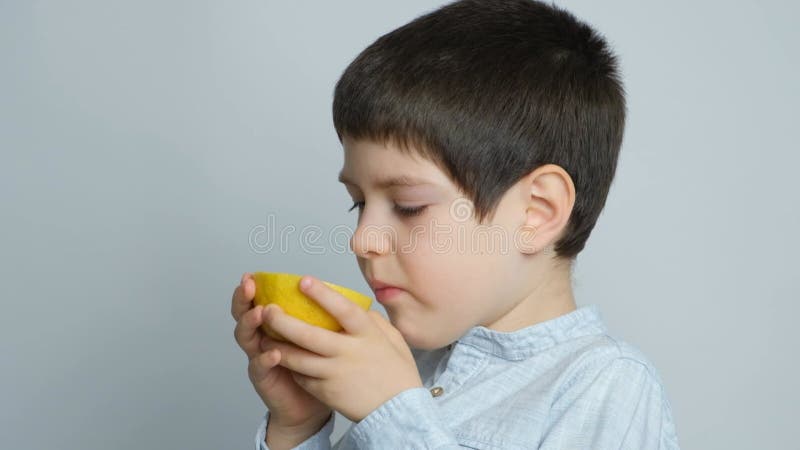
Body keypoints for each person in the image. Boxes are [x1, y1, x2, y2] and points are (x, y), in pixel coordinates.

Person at [231, 0, 680, 448]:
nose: (362, 239)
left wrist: (393, 413)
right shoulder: (405, 366)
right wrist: (298, 428)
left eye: (408, 206)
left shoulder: (605, 384)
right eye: (358, 204)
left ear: (536, 212)